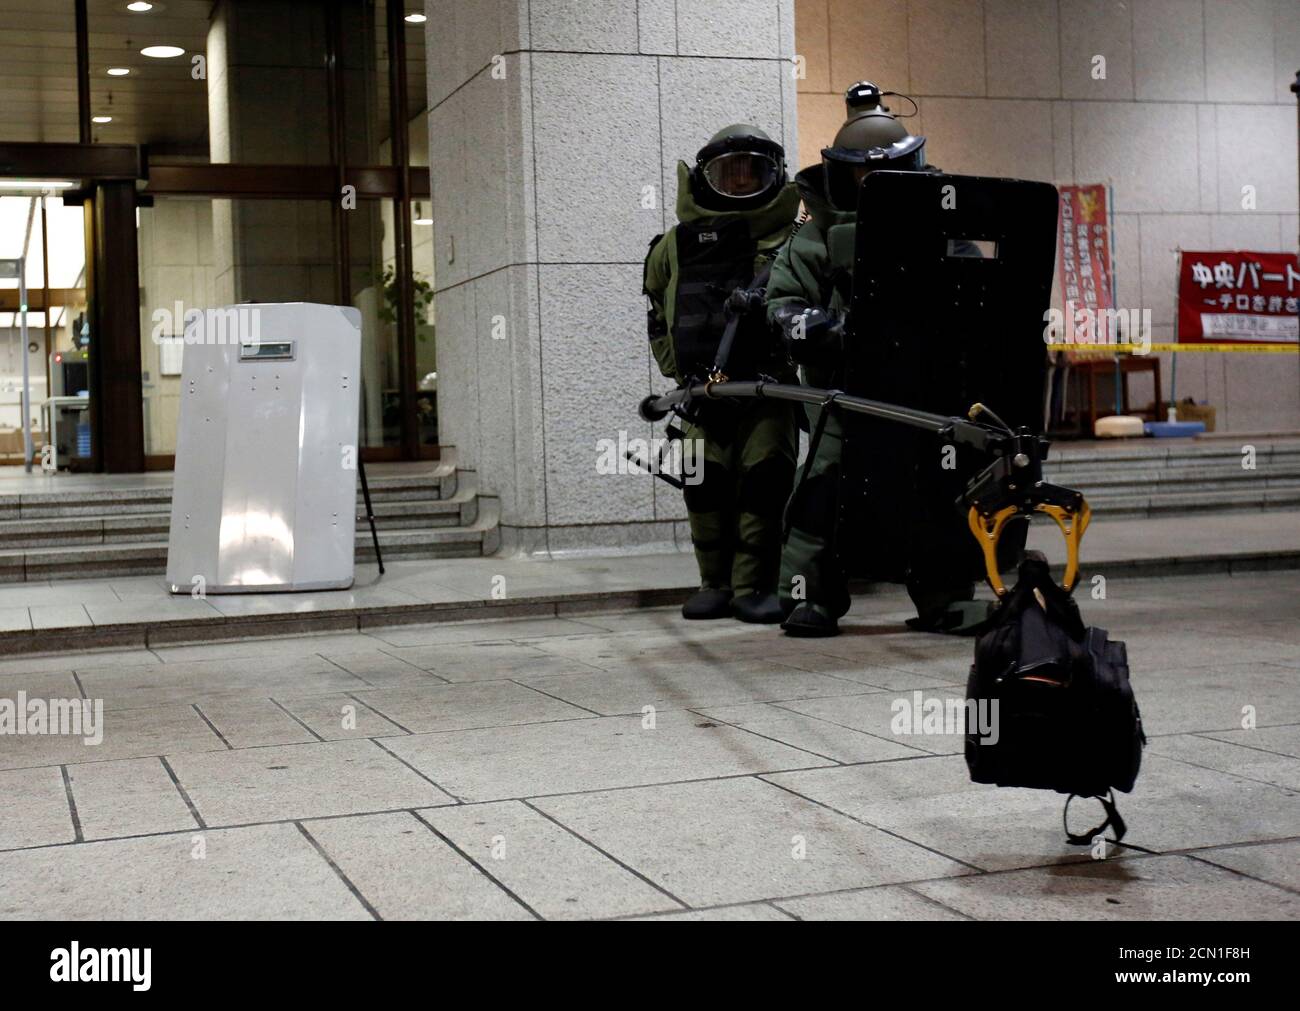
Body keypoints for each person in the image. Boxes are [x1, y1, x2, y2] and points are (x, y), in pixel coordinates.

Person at [766, 82, 987, 638]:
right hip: (842, 397)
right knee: (820, 496)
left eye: (885, 168)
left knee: (938, 494)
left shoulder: (942, 230)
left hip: (923, 394)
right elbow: (782, 305)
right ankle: (808, 597)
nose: (873, 181)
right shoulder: (814, 235)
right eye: (862, 172)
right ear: (843, 172)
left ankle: (945, 599)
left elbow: (976, 298)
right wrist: (828, 330)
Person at [643, 125, 801, 623]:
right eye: (727, 173)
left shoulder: (792, 239)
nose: (739, 183)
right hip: (699, 391)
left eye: (752, 172)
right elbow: (658, 313)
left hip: (768, 387)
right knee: (703, 484)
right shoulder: (672, 246)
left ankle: (754, 585)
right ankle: (713, 581)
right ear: (705, 178)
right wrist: (678, 372)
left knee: (765, 481)